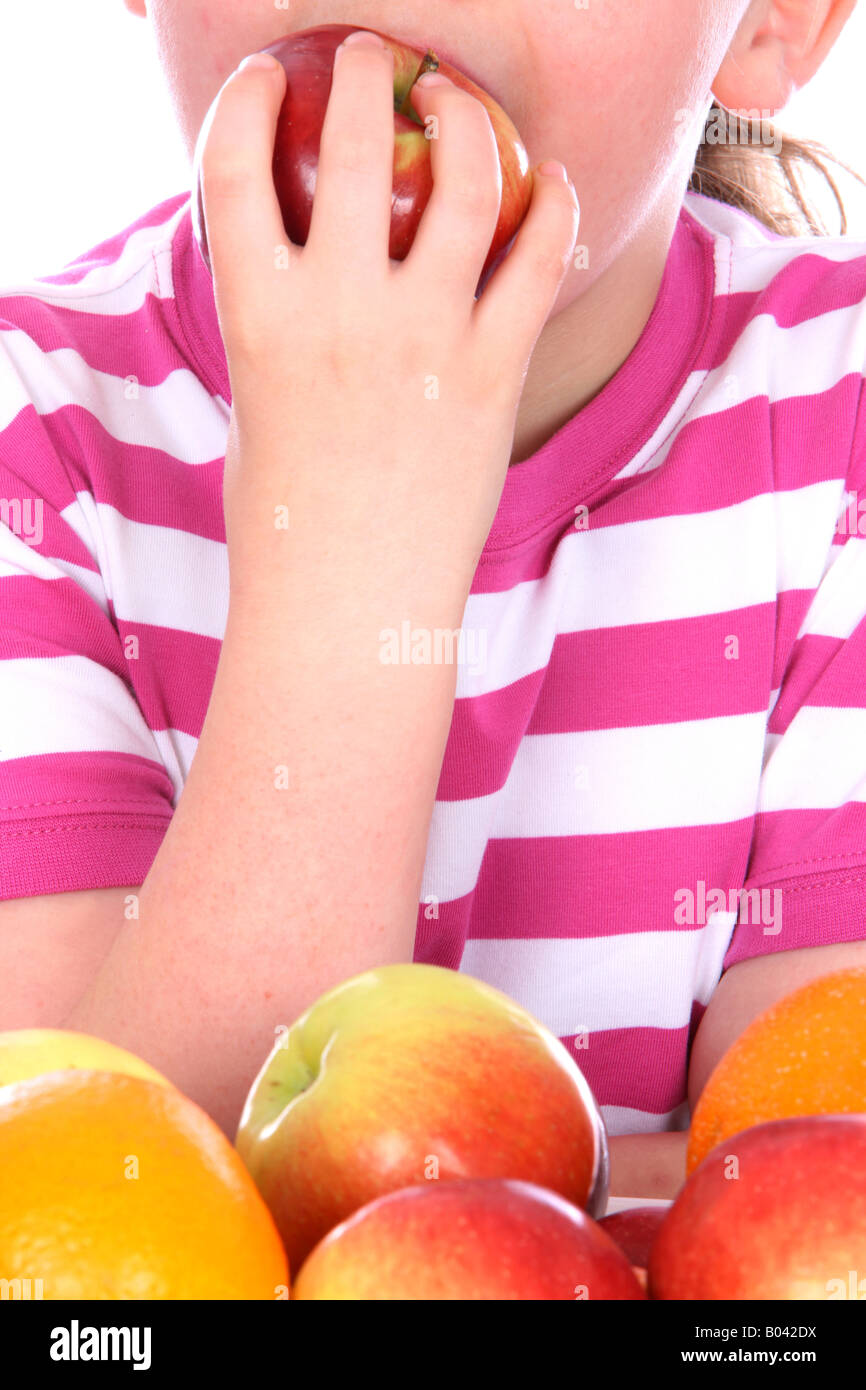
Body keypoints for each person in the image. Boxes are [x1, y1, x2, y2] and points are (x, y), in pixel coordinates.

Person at [1, 1, 865, 1199]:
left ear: (772, 20)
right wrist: (347, 563)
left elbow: (804, 1209)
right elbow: (93, 1222)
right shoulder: (27, 448)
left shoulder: (843, 438)